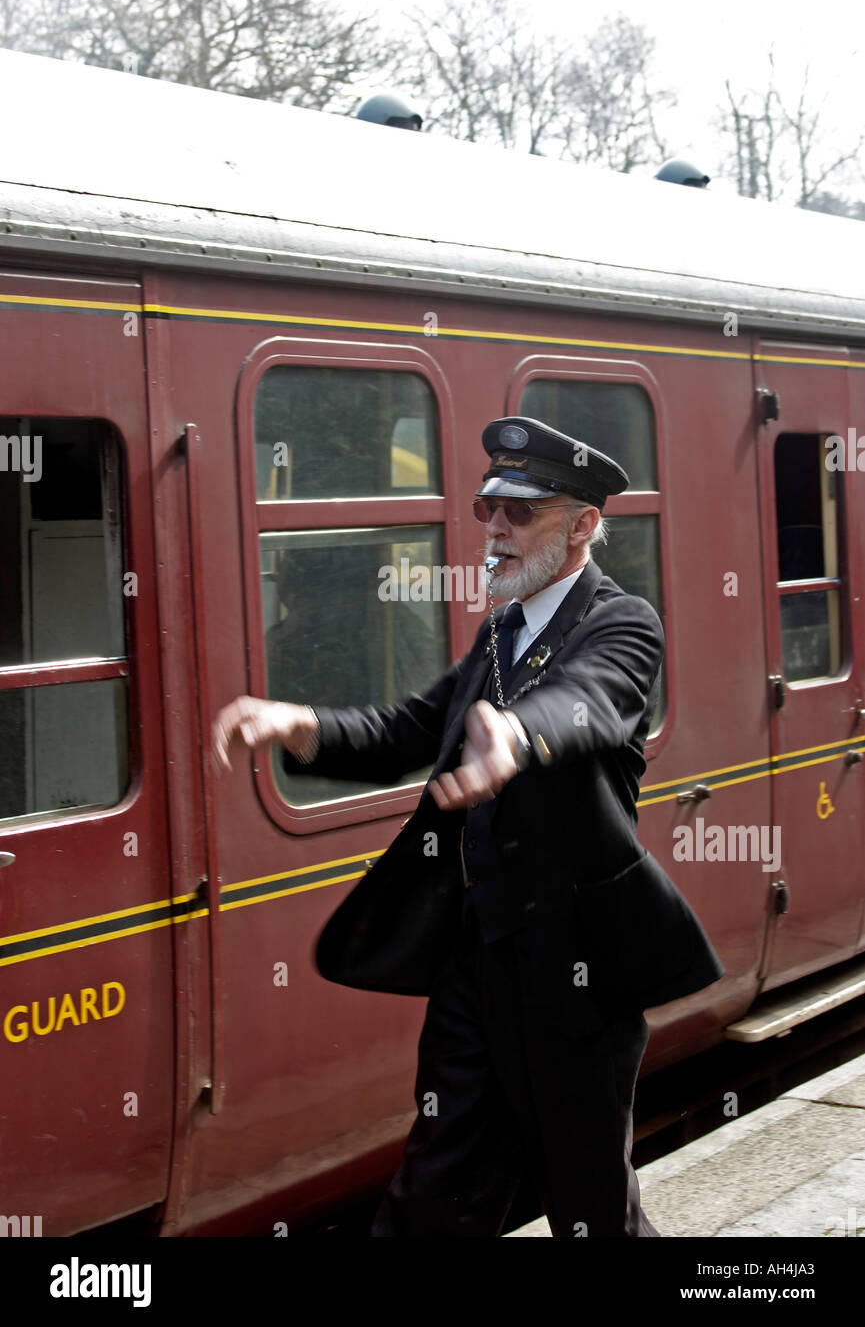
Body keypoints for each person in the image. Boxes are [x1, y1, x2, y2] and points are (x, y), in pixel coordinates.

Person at [212, 415, 724, 1238]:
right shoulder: (498, 633)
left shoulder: (621, 622)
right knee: (434, 1193)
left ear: (583, 524)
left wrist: (515, 738)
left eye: (520, 513)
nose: (493, 529)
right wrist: (298, 722)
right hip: (475, 968)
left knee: (590, 1209)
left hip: (576, 976)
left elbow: (586, 702)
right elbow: (408, 732)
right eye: (489, 508)